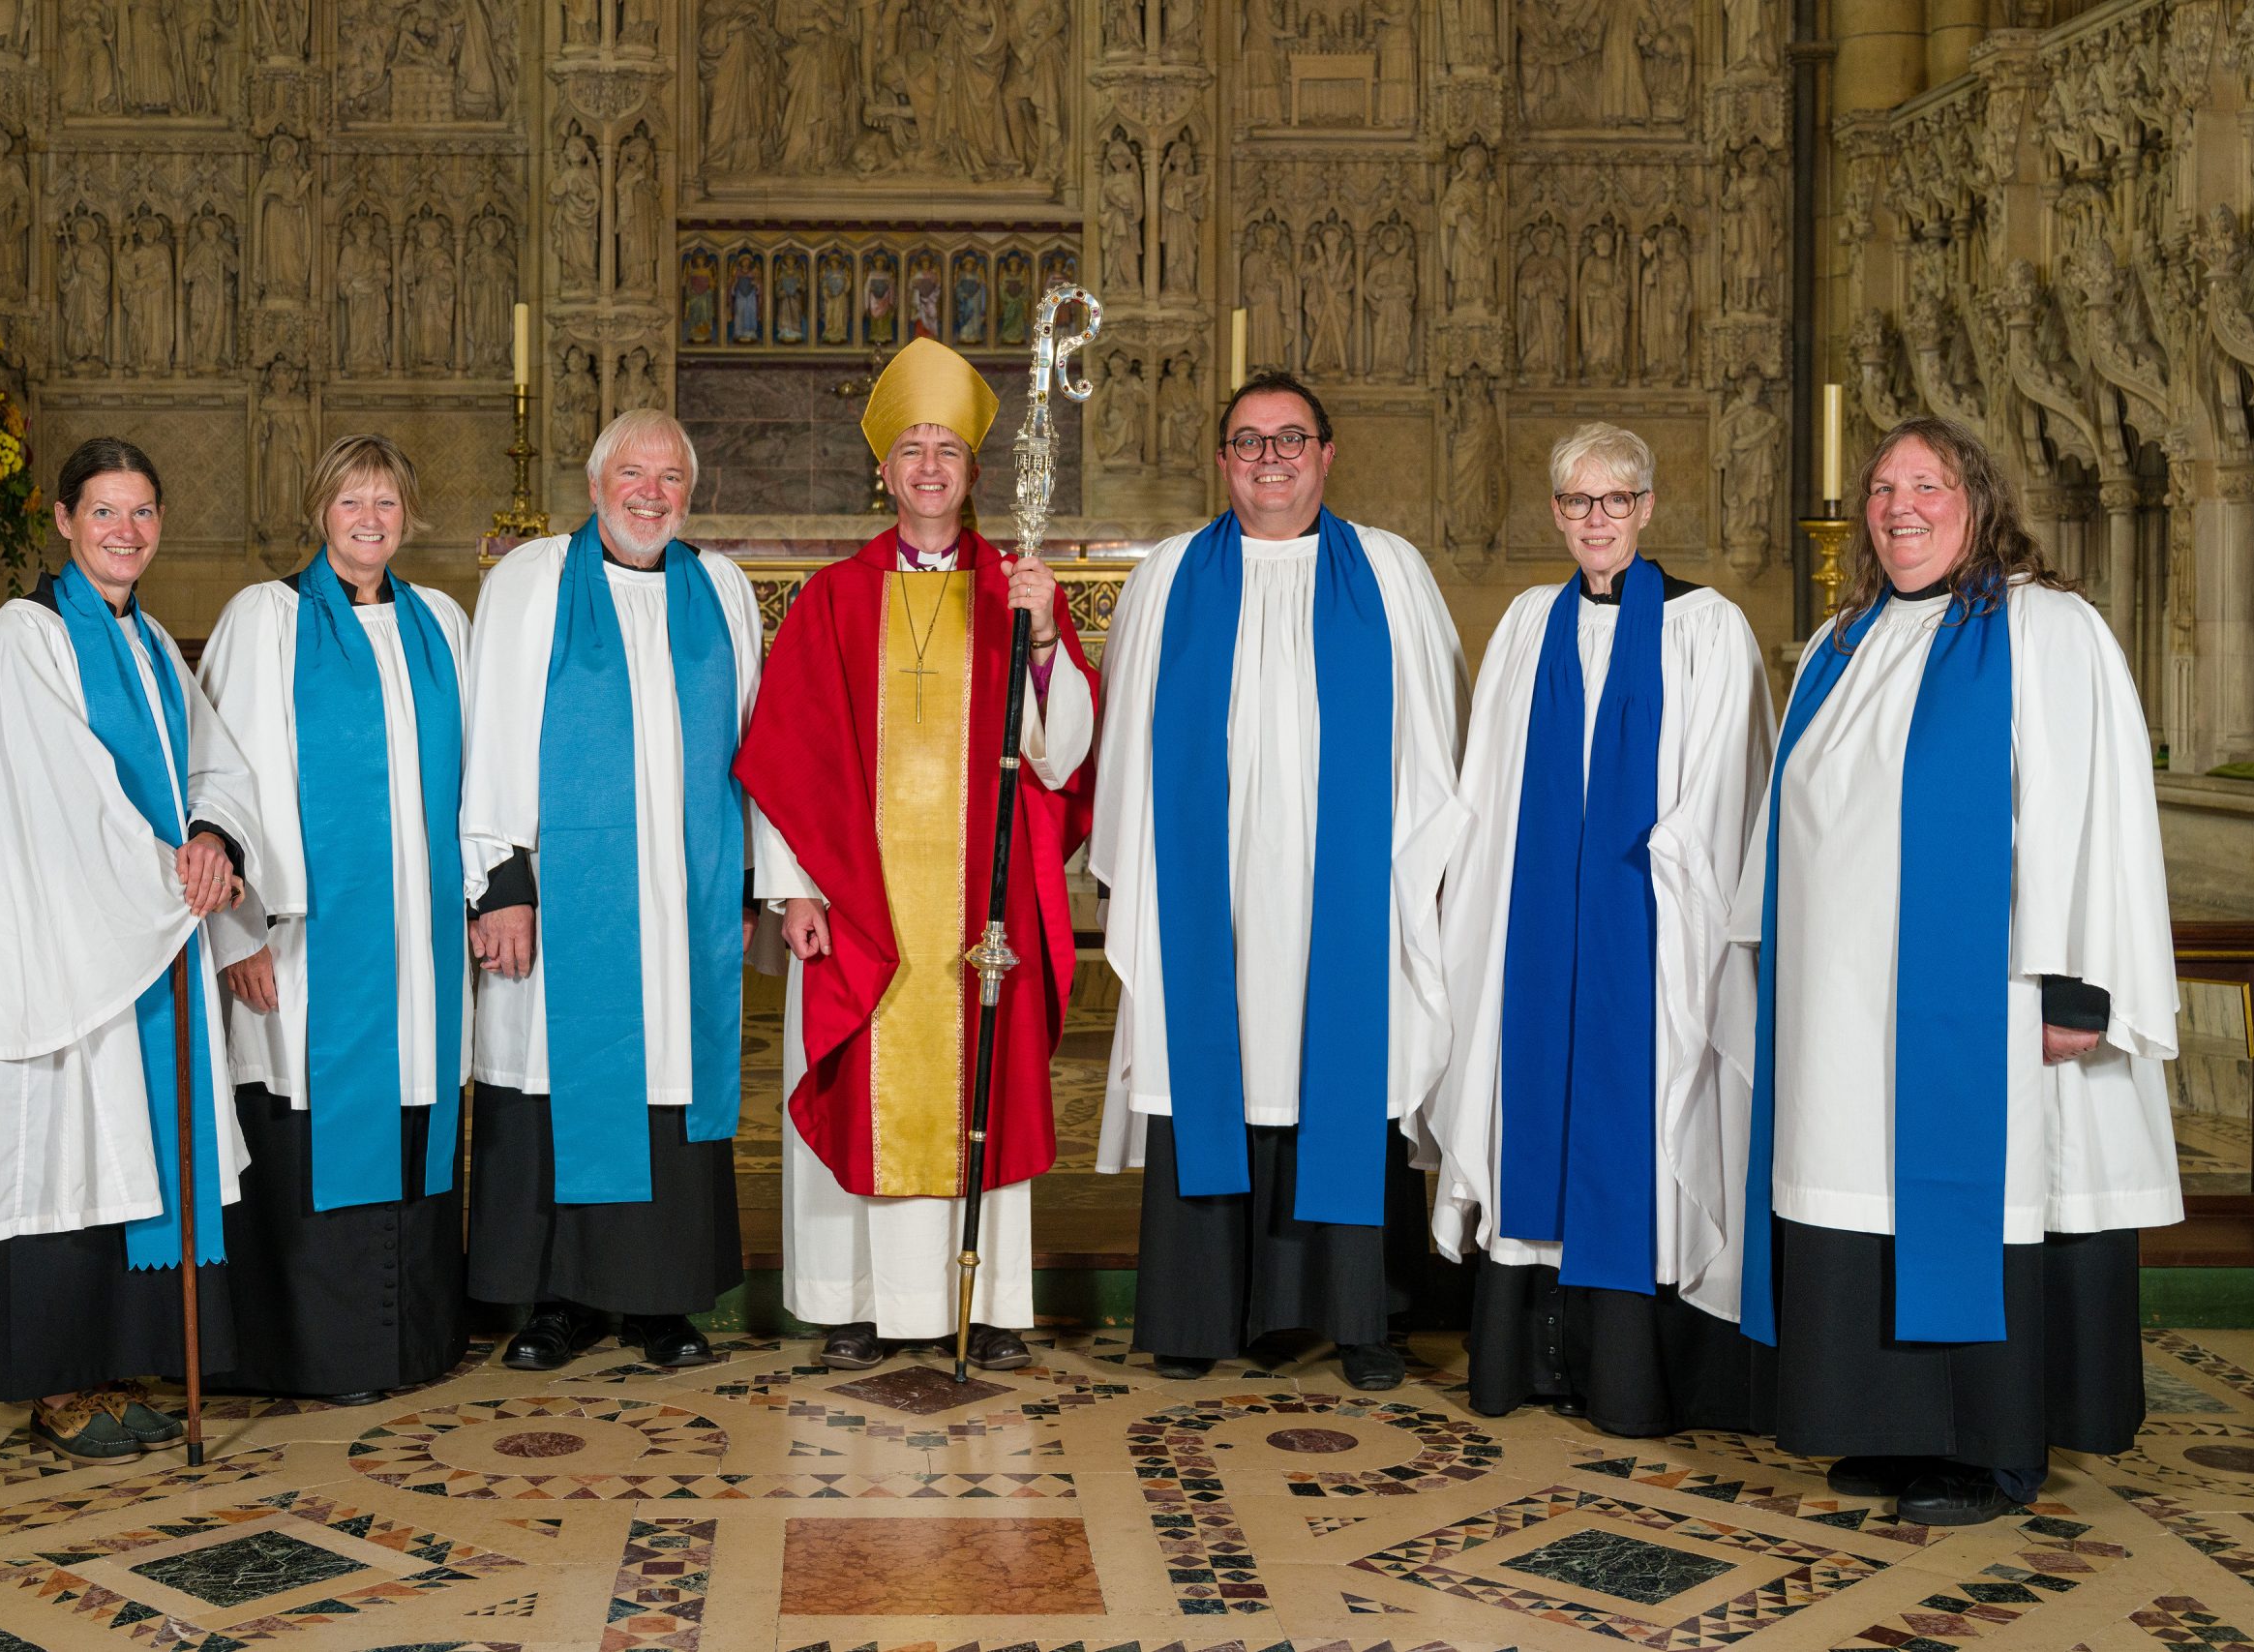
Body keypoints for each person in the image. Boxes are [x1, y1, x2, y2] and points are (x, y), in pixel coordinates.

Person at [1726, 415, 2180, 1524]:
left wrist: (2079, 987)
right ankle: (1886, 1424)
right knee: (1860, 1198)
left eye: (1925, 485)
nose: (1898, 508)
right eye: (1881, 488)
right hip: (1843, 1014)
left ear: (1977, 498)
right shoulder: (1845, 640)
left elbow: (2092, 812)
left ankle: (1988, 1446)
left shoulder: (2042, 630)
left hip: (1983, 1008)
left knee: (1967, 1201)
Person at [1091, 369, 1465, 1389]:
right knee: (1211, 1065)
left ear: (1326, 454)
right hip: (1201, 887)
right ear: (1223, 460)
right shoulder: (1170, 575)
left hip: (1343, 889)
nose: (1269, 458)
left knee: (1341, 1068)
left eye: (1289, 438)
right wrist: (1133, 876)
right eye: (1248, 441)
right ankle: (1193, 1313)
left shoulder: (1388, 573)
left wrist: (1423, 881)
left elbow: (1432, 747)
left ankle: (1359, 1319)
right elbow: (1126, 741)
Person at [736, 336, 1098, 1373]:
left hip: (982, 910)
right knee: (861, 1076)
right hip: (860, 902)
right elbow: (784, 757)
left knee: (988, 1079)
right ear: (882, 471)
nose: (929, 466)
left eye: (948, 449)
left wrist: (1037, 642)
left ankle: (988, 1303)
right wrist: (789, 890)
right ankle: (850, 1301)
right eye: (910, 448)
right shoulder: (833, 599)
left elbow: (1064, 752)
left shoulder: (1018, 592)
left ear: (976, 474)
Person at [1424, 422, 1774, 1432]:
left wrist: (1664, 862)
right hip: (1537, 923)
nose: (1596, 521)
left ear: (1649, 508)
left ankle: (1632, 1371)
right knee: (1525, 1095)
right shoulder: (1528, 627)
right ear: (1555, 514)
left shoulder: (1706, 629)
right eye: (1577, 503)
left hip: (1649, 922)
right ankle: (1530, 1359)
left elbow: (1727, 783)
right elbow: (1485, 788)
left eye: (1615, 501)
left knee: (1641, 1111)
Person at [0, 436, 263, 1459]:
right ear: (63, 520)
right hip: (54, 961)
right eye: (106, 512)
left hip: (142, 944)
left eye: (144, 513)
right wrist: (175, 874)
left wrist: (213, 839)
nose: (126, 532)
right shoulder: (24, 637)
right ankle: (55, 1384)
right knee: (57, 1157)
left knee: (127, 1159)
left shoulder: (152, 644)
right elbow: (60, 797)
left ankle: (111, 1370)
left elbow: (217, 768)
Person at [461, 410, 762, 1371]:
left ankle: (662, 1303)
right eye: (631, 474)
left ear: (690, 491)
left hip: (684, 898)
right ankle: (558, 1302)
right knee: (564, 1078)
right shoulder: (533, 579)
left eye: (670, 477)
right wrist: (500, 879)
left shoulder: (719, 588)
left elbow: (754, 742)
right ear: (594, 487)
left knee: (670, 1078)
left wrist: (751, 879)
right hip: (563, 892)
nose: (650, 493)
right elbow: (493, 731)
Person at [198, 434, 471, 1404]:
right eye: (352, 502)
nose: (370, 521)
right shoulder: (264, 620)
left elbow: (470, 788)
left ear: (408, 517)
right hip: (303, 951)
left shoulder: (439, 622)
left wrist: (488, 898)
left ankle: (413, 1345)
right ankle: (315, 1353)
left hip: (421, 952)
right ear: (320, 511)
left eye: (387, 505)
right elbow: (218, 788)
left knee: (412, 1116)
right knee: (307, 1117)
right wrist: (237, 937)